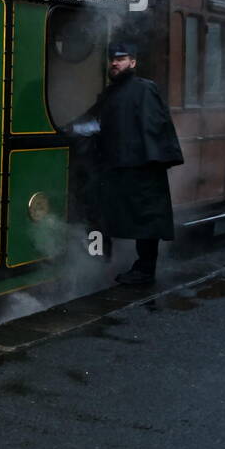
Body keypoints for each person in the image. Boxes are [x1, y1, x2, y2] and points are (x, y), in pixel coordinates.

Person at [69, 41, 183, 285]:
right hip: (117, 167)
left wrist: (149, 161)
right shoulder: (111, 94)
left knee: (147, 218)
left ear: (133, 62)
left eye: (121, 59)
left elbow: (155, 126)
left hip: (140, 168)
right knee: (106, 211)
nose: (115, 62)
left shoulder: (144, 89)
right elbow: (94, 122)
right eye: (112, 59)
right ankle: (101, 259)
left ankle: (145, 269)